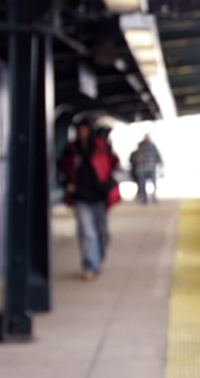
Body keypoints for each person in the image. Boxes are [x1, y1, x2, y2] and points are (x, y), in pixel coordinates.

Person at [58, 119, 121, 280]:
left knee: (101, 232)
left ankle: (99, 258)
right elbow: (62, 168)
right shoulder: (71, 150)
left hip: (100, 195)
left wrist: (108, 184)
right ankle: (89, 265)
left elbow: (115, 165)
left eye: (85, 130)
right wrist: (67, 183)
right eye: (79, 130)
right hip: (80, 196)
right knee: (87, 232)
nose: (82, 133)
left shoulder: (102, 147)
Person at [130, 134, 164, 204]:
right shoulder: (140, 147)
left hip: (151, 168)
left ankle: (153, 196)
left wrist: (160, 163)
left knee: (154, 184)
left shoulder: (152, 147)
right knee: (142, 185)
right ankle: (144, 199)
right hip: (141, 169)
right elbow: (134, 158)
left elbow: (158, 156)